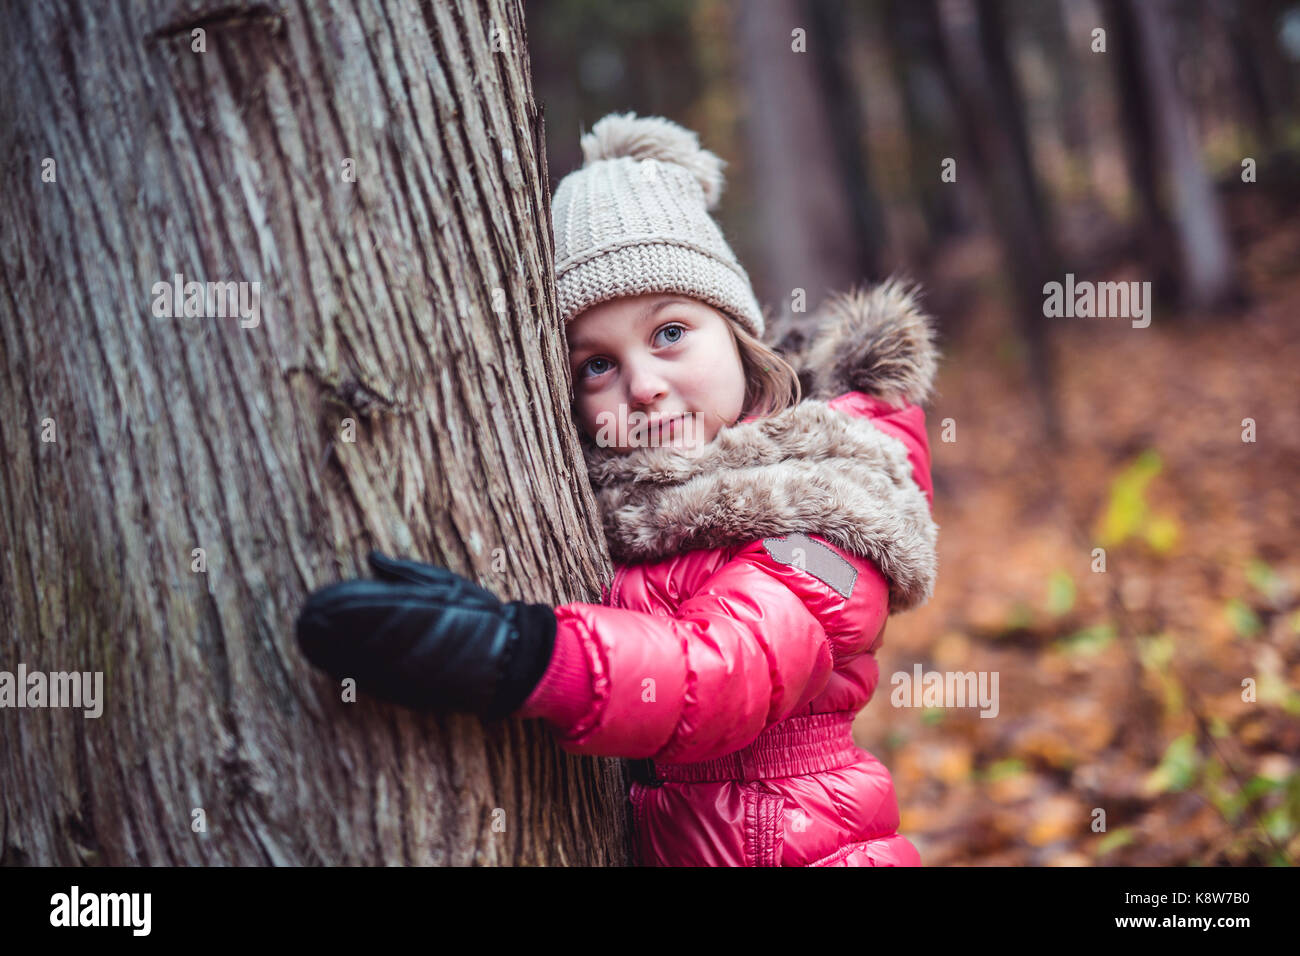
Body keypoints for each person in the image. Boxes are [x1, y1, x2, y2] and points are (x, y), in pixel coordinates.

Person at [296, 112, 940, 866]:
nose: (642, 386)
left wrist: (528, 654)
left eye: (669, 333)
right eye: (596, 365)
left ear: (738, 336)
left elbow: (723, 666)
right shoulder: (626, 509)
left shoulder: (827, 512)